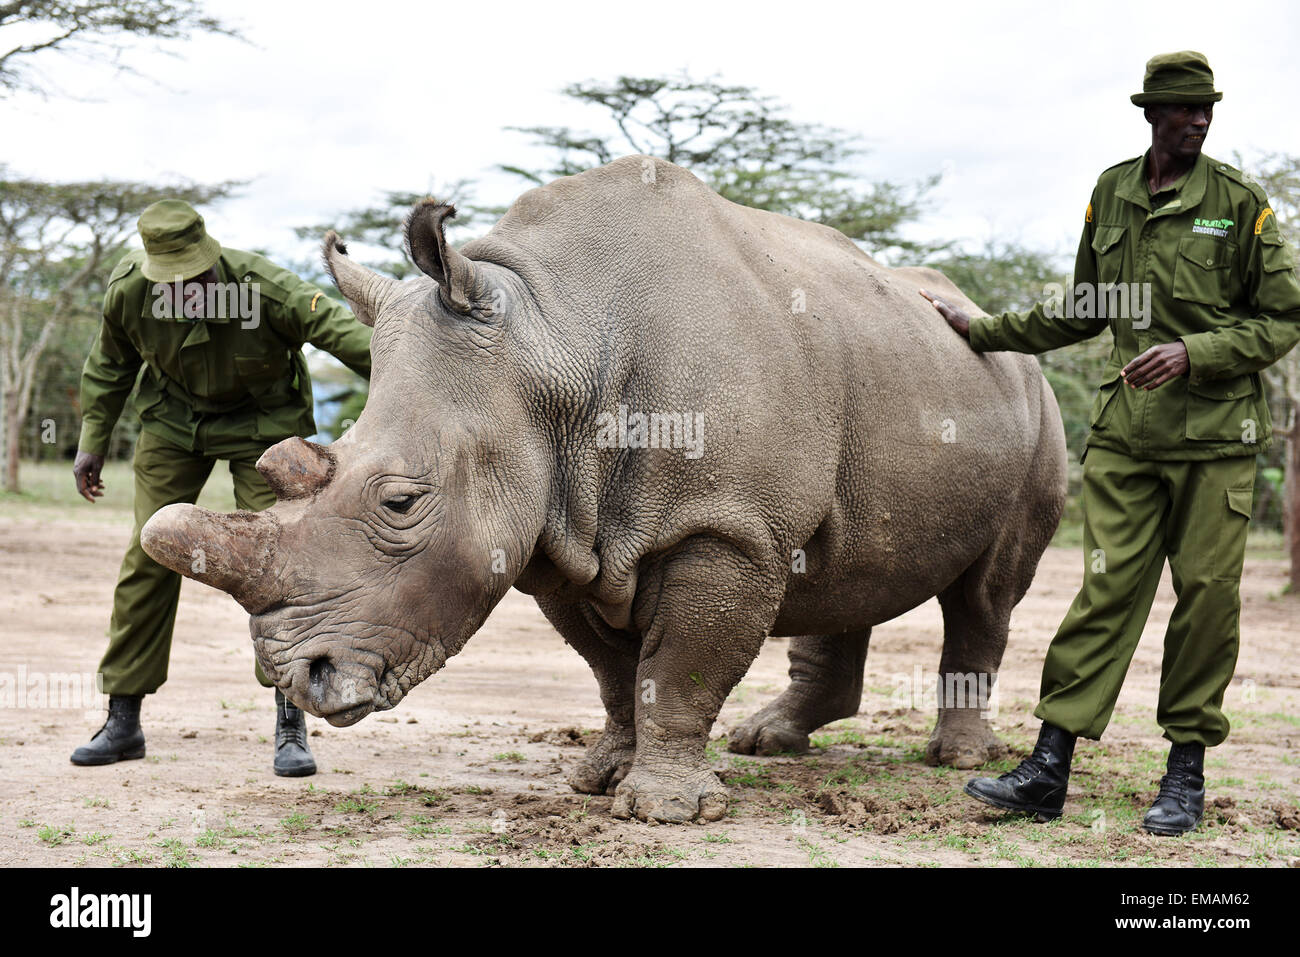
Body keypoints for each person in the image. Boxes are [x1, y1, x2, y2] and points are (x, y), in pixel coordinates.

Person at [921, 51, 1300, 835]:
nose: (1197, 121)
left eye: (1207, 110)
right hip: (1129, 438)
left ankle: (1184, 775)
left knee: (1204, 604)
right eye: (1184, 110)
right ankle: (1049, 767)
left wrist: (1197, 352)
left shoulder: (1240, 203)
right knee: (1103, 597)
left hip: (1215, 444)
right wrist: (986, 328)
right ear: (1152, 114)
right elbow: (1085, 305)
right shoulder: (1112, 193)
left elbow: (1285, 316)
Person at [71, 199, 373, 776]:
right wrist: (93, 437)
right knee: (148, 554)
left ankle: (291, 720)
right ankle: (122, 717)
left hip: (262, 426)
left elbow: (346, 337)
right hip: (172, 424)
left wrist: (421, 377)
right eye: (172, 281)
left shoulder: (266, 288)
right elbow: (110, 363)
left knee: (277, 563)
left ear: (211, 257)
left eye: (195, 276)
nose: (185, 289)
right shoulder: (131, 292)